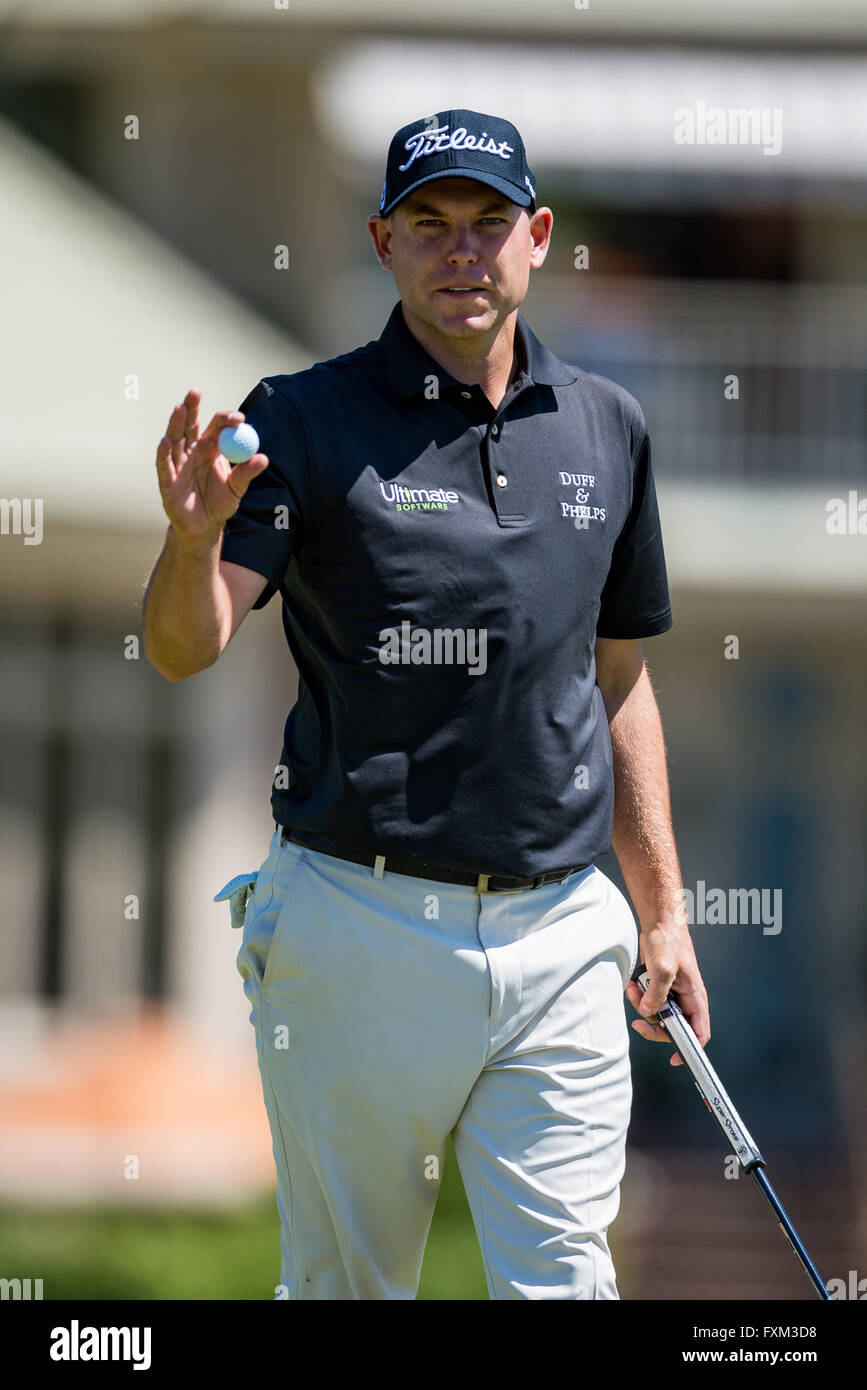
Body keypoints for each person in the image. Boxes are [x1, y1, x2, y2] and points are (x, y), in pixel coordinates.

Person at [142, 108, 710, 1301]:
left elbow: (619, 677)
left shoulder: (610, 427)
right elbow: (186, 647)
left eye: (489, 223)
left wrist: (662, 909)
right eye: (431, 225)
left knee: (566, 1282)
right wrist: (193, 542)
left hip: (563, 933)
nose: (464, 251)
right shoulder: (302, 418)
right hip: (360, 922)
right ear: (383, 242)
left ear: (538, 237)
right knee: (350, 1288)